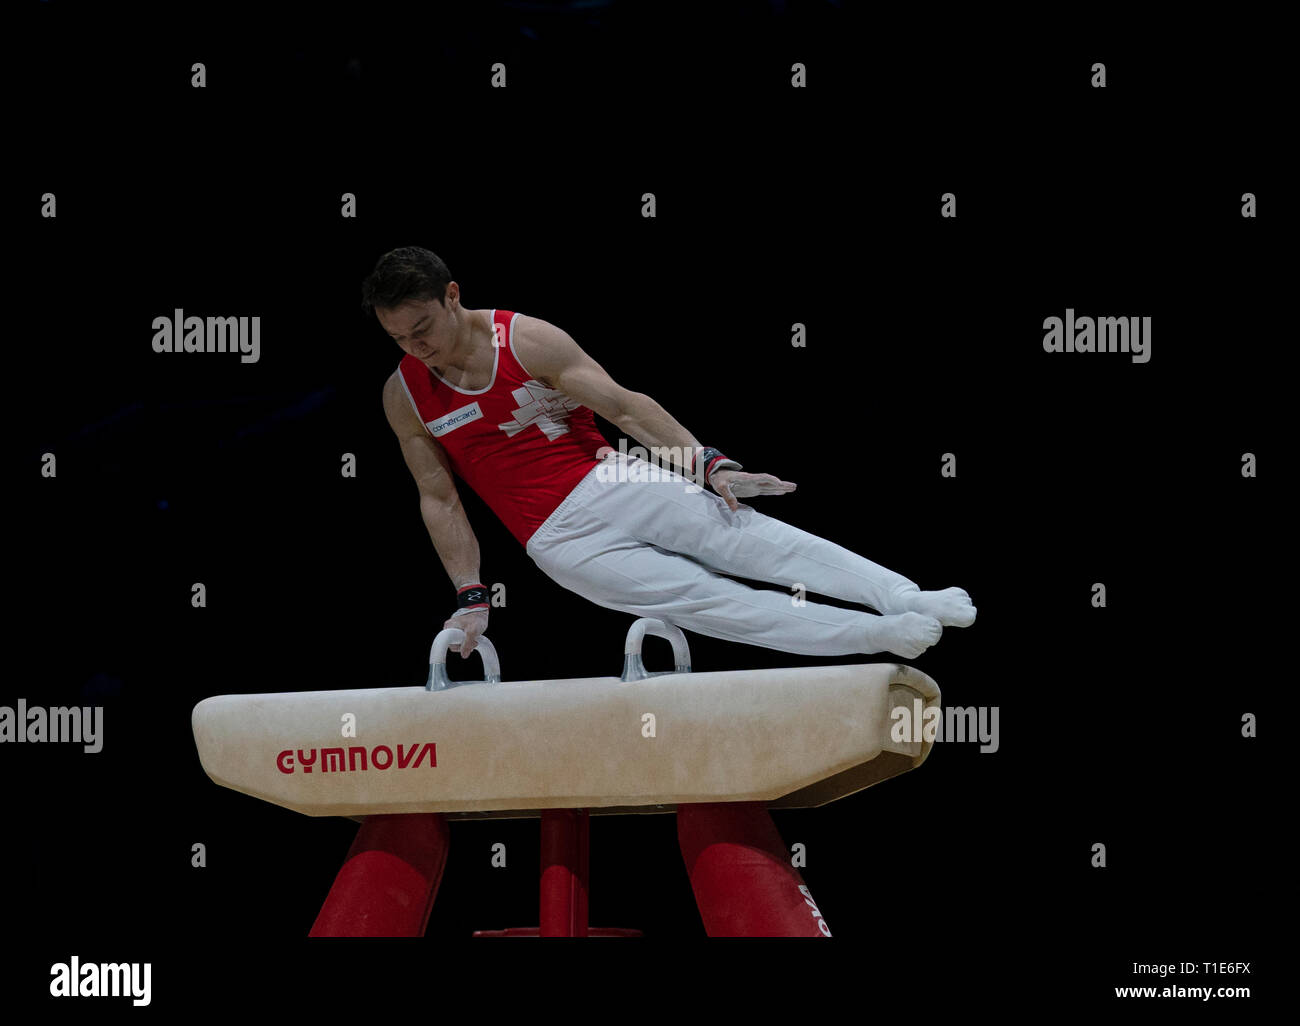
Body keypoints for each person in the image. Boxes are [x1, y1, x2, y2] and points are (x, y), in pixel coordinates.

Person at [364, 246, 975, 660]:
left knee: (746, 538)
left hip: (609, 480)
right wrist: (471, 595)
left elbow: (627, 407)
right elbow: (439, 497)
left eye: (423, 329)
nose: (416, 348)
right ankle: (880, 634)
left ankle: (903, 595)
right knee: (713, 604)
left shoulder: (526, 340)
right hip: (555, 541)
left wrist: (705, 462)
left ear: (451, 295)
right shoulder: (404, 395)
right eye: (397, 338)